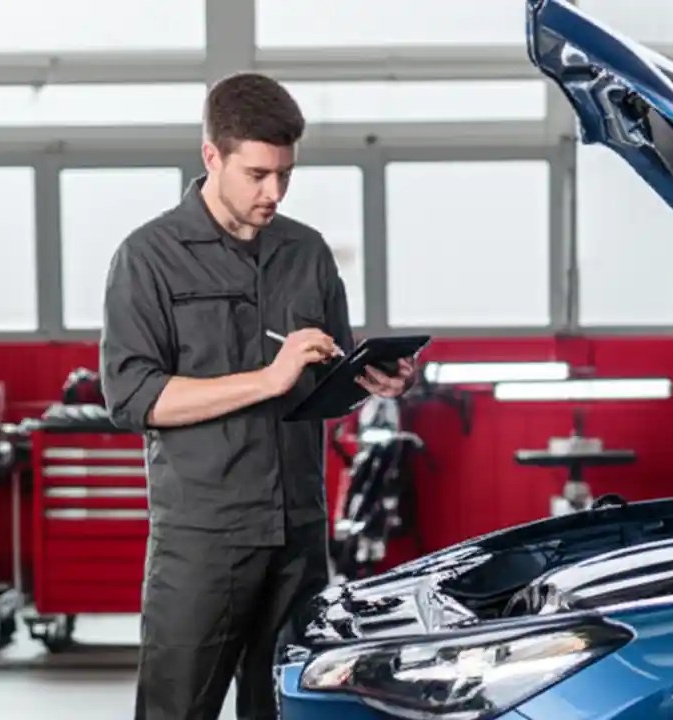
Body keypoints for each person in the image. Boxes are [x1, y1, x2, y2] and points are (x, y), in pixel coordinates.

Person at [99, 72, 417, 719]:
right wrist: (269, 378)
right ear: (211, 156)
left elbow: (329, 381)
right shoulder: (148, 258)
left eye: (285, 175)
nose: (273, 192)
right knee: (176, 709)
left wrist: (371, 381)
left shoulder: (307, 253)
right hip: (204, 537)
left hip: (299, 530)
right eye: (256, 175)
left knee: (287, 708)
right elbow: (133, 396)